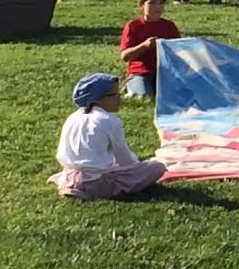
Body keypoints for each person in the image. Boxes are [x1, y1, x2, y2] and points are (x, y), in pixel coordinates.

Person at [47, 73, 167, 201]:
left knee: (102, 166)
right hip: (96, 181)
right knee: (156, 167)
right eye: (114, 95)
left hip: (70, 172)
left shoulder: (73, 117)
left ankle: (68, 182)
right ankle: (86, 189)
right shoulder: (109, 121)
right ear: (97, 99)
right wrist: (140, 166)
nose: (120, 98)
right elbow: (125, 160)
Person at [119, 0, 181, 99]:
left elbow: (179, 53)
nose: (157, 7)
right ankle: (130, 86)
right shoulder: (133, 26)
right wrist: (145, 46)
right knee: (144, 97)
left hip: (164, 72)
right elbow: (125, 56)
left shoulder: (169, 26)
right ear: (142, 5)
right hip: (141, 71)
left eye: (161, 3)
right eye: (152, 3)